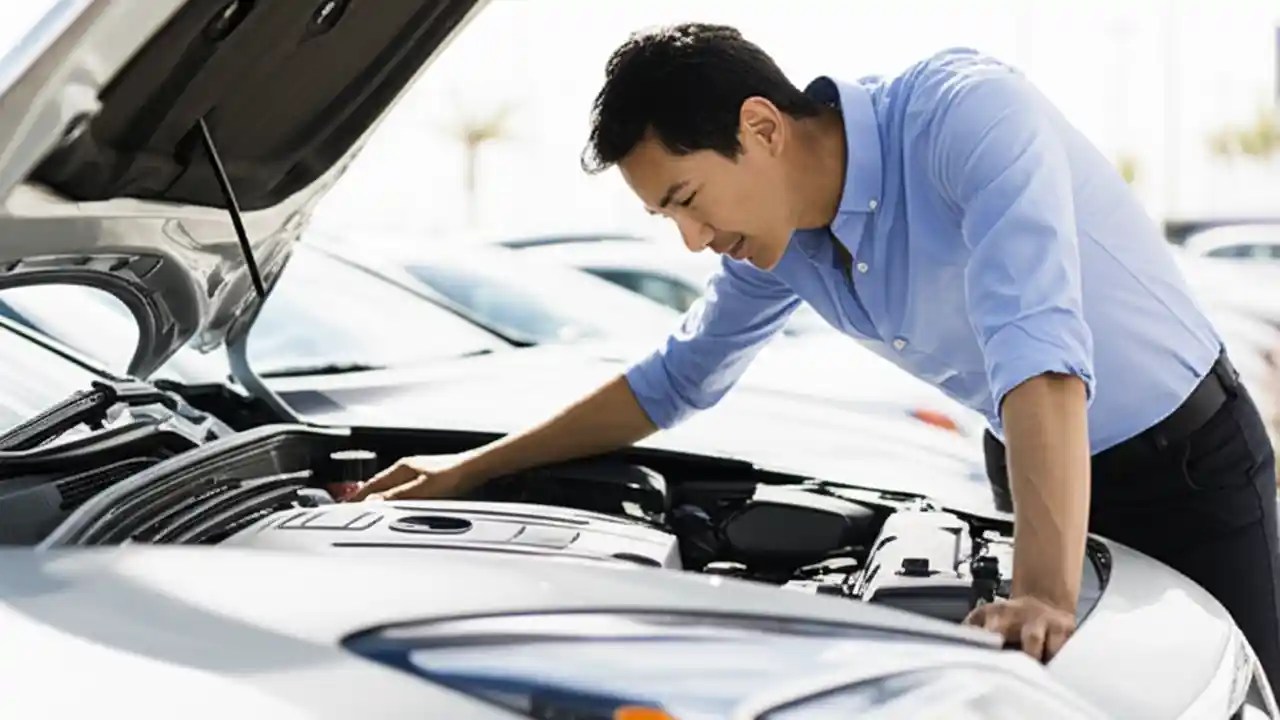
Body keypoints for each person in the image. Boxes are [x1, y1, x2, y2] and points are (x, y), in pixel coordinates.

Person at [348, 23, 1280, 677]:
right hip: (1029, 466)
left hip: (1189, 465)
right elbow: (674, 381)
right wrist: (466, 470)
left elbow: (1035, 346)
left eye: (685, 200)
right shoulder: (781, 246)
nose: (691, 239)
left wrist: (1041, 592)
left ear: (760, 128)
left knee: (1239, 694)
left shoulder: (969, 117)